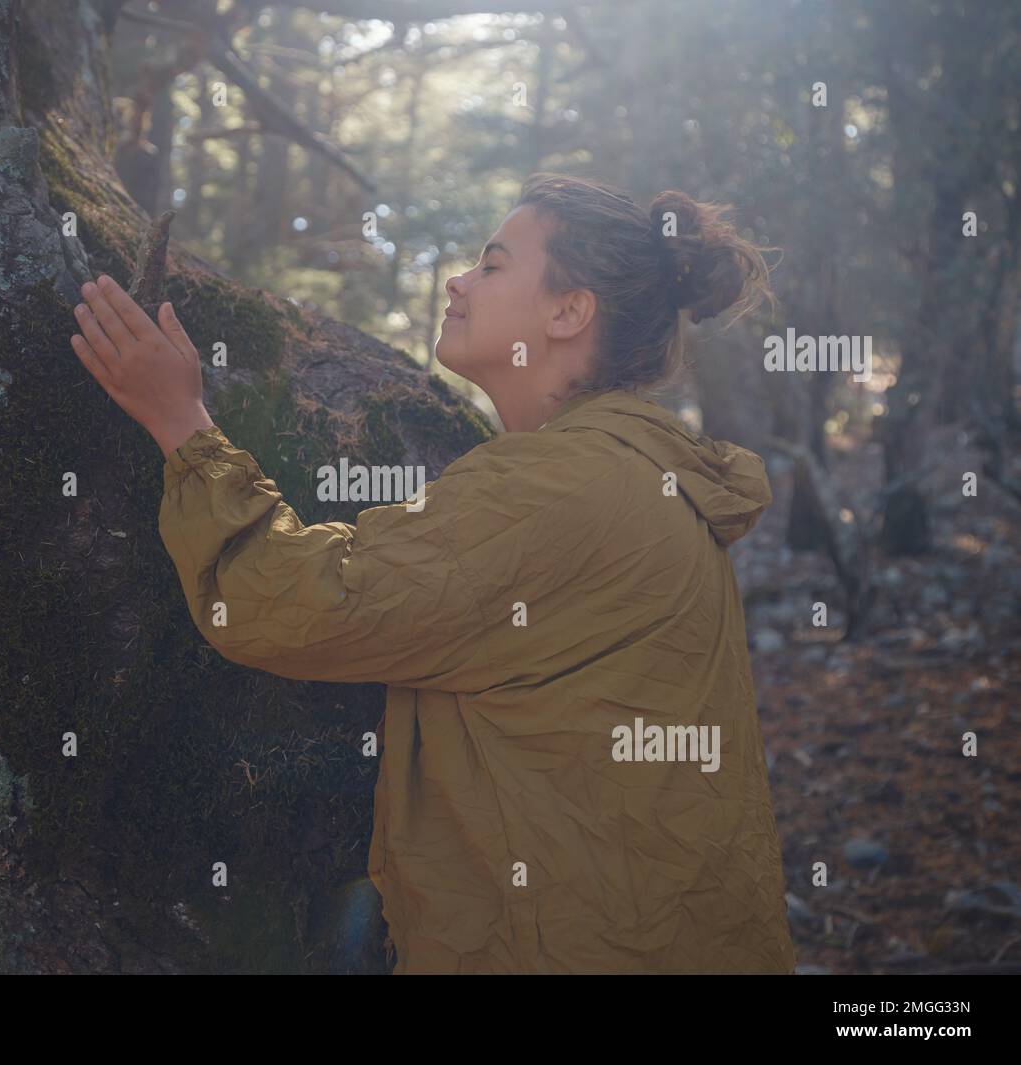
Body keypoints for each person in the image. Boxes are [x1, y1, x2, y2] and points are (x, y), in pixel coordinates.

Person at [68, 172, 797, 975]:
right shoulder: (628, 472)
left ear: (568, 311)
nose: (458, 279)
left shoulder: (556, 487)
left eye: (491, 265)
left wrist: (183, 425)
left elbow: (297, 601)